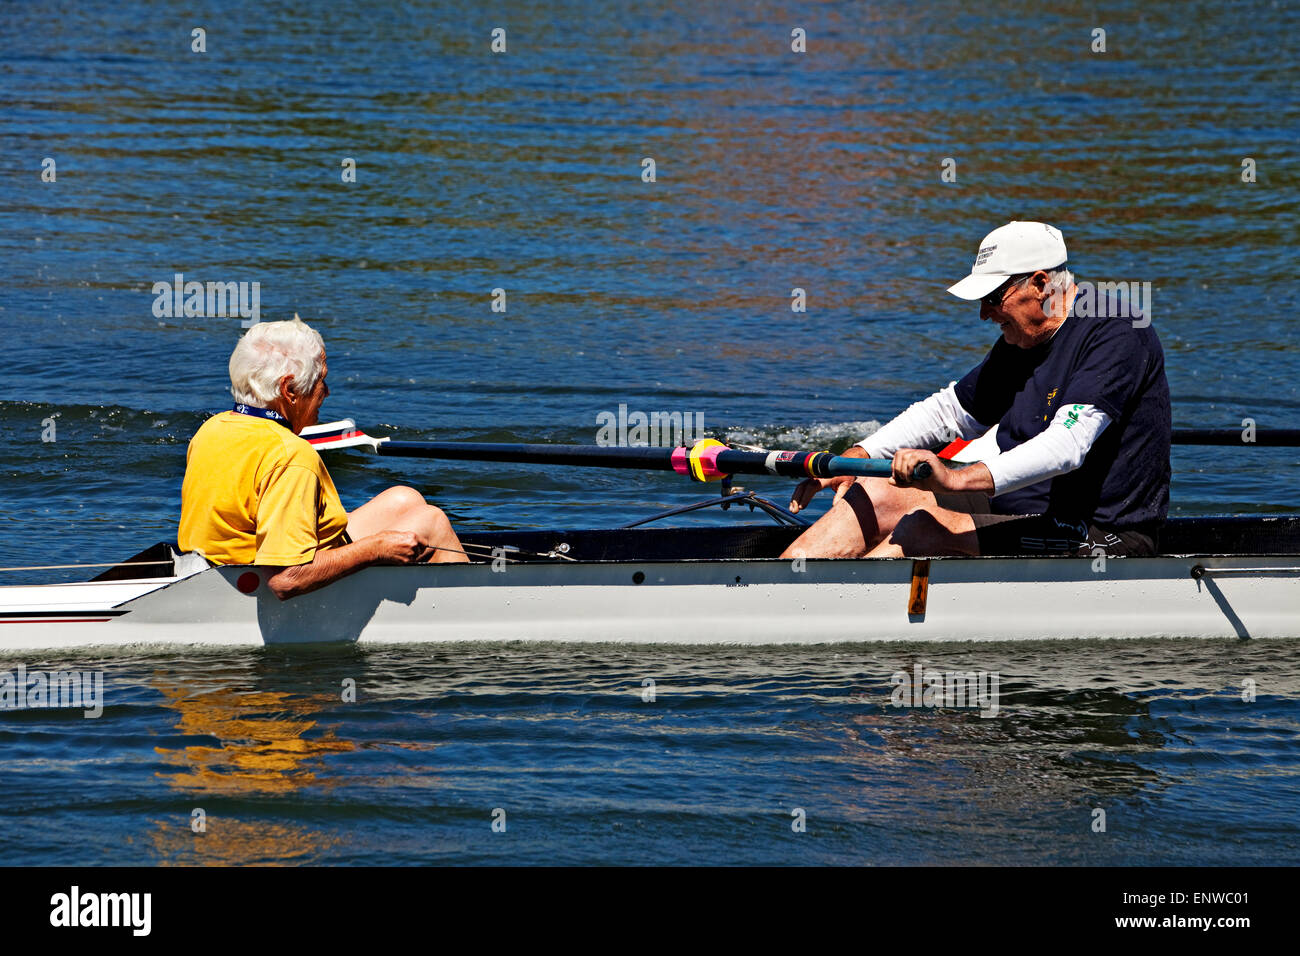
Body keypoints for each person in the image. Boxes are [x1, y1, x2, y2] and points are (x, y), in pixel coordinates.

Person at [781, 221, 1171, 559]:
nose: (984, 313)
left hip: (1100, 533)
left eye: (991, 297)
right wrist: (858, 455)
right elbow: (949, 412)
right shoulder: (1025, 338)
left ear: (1039, 284)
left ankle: (819, 613)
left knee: (924, 528)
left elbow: (1067, 446)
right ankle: (779, 586)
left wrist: (956, 478)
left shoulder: (1119, 329)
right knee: (875, 493)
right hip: (1017, 508)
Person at [178, 316, 468, 600]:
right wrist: (377, 548)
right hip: (268, 581)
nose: (326, 392)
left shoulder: (213, 428)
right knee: (433, 521)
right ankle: (469, 613)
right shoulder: (290, 454)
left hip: (221, 561)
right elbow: (285, 580)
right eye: (320, 381)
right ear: (289, 390)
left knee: (405, 498)